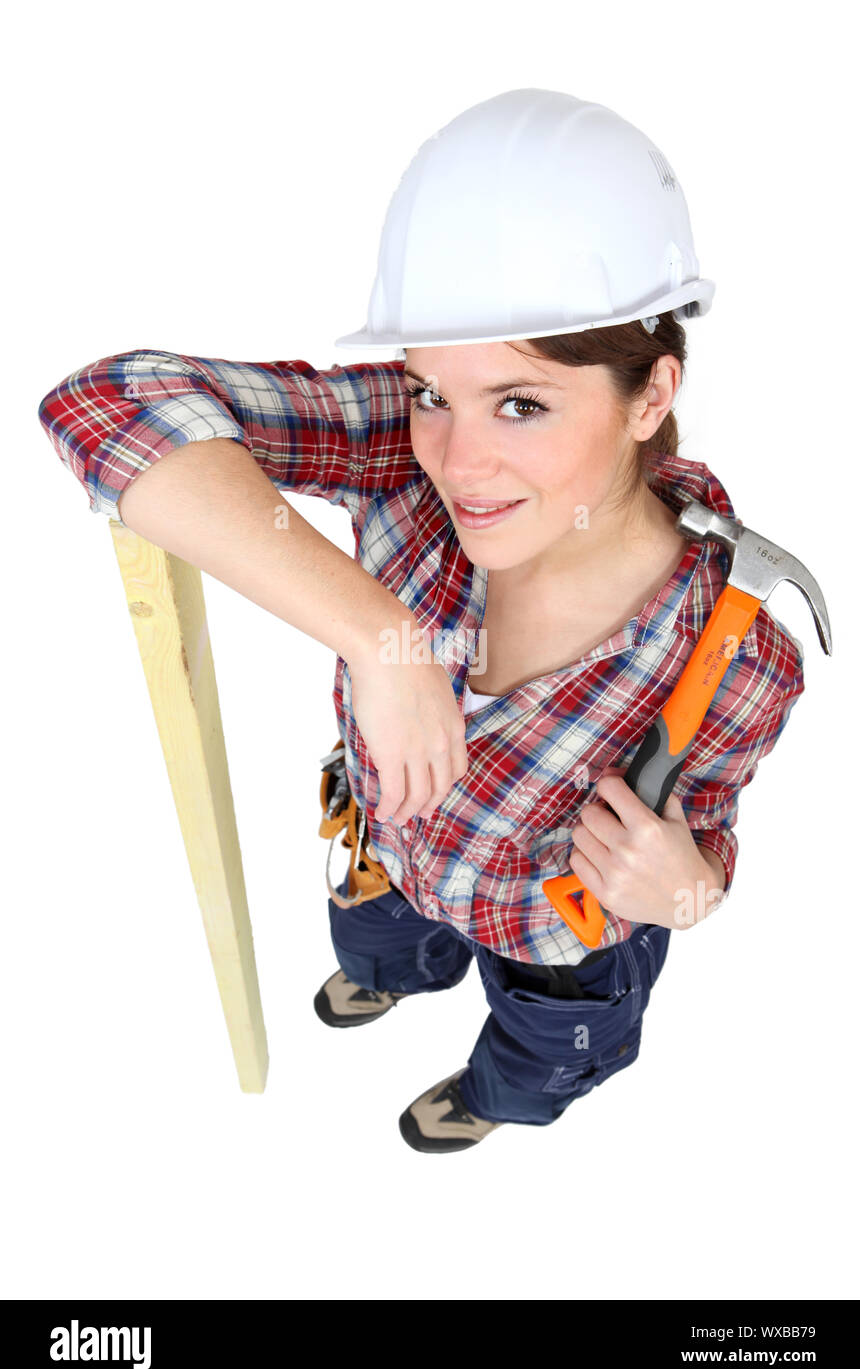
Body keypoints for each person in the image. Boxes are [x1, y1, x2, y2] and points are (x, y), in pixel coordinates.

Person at [36, 89, 805, 1153]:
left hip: (553, 935)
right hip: (385, 845)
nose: (457, 460)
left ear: (646, 394)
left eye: (521, 402)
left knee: (545, 1050)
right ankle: (390, 973)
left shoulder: (739, 652)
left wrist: (688, 896)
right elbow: (106, 403)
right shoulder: (396, 457)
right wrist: (373, 634)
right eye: (429, 391)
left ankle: (493, 1096)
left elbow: (704, 821)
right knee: (373, 943)